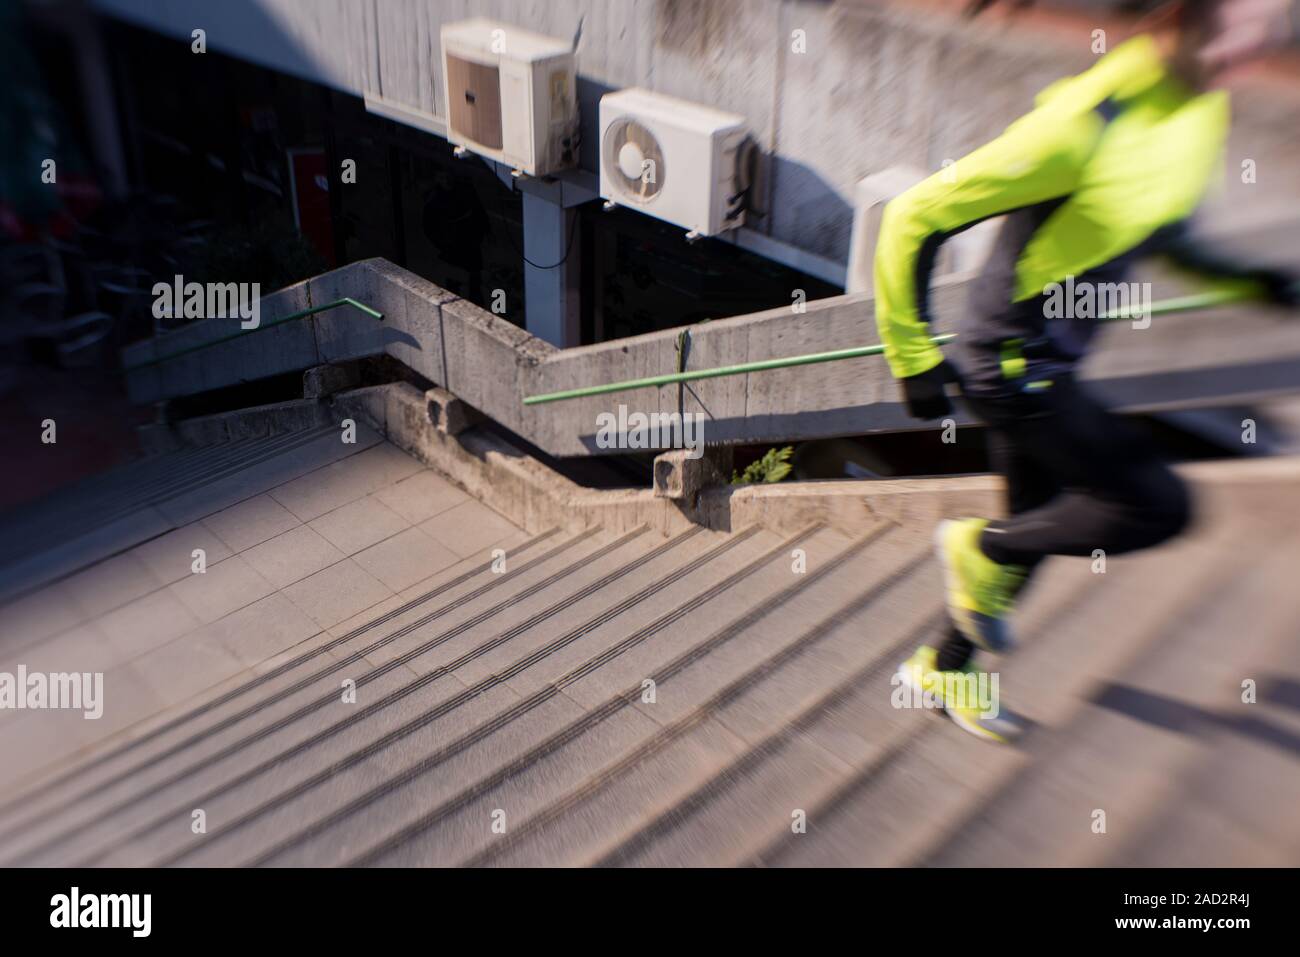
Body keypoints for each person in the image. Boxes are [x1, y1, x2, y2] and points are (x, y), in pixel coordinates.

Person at [877, 0, 1299, 742]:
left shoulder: (1195, 109)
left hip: (1051, 361)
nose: (1259, 39)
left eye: (1270, 25)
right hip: (1013, 366)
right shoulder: (1086, 120)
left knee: (1041, 520)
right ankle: (979, 549)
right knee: (1155, 504)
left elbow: (1167, 228)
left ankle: (942, 666)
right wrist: (914, 358)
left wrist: (1254, 281)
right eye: (1243, 20)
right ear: (1187, 15)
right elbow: (913, 215)